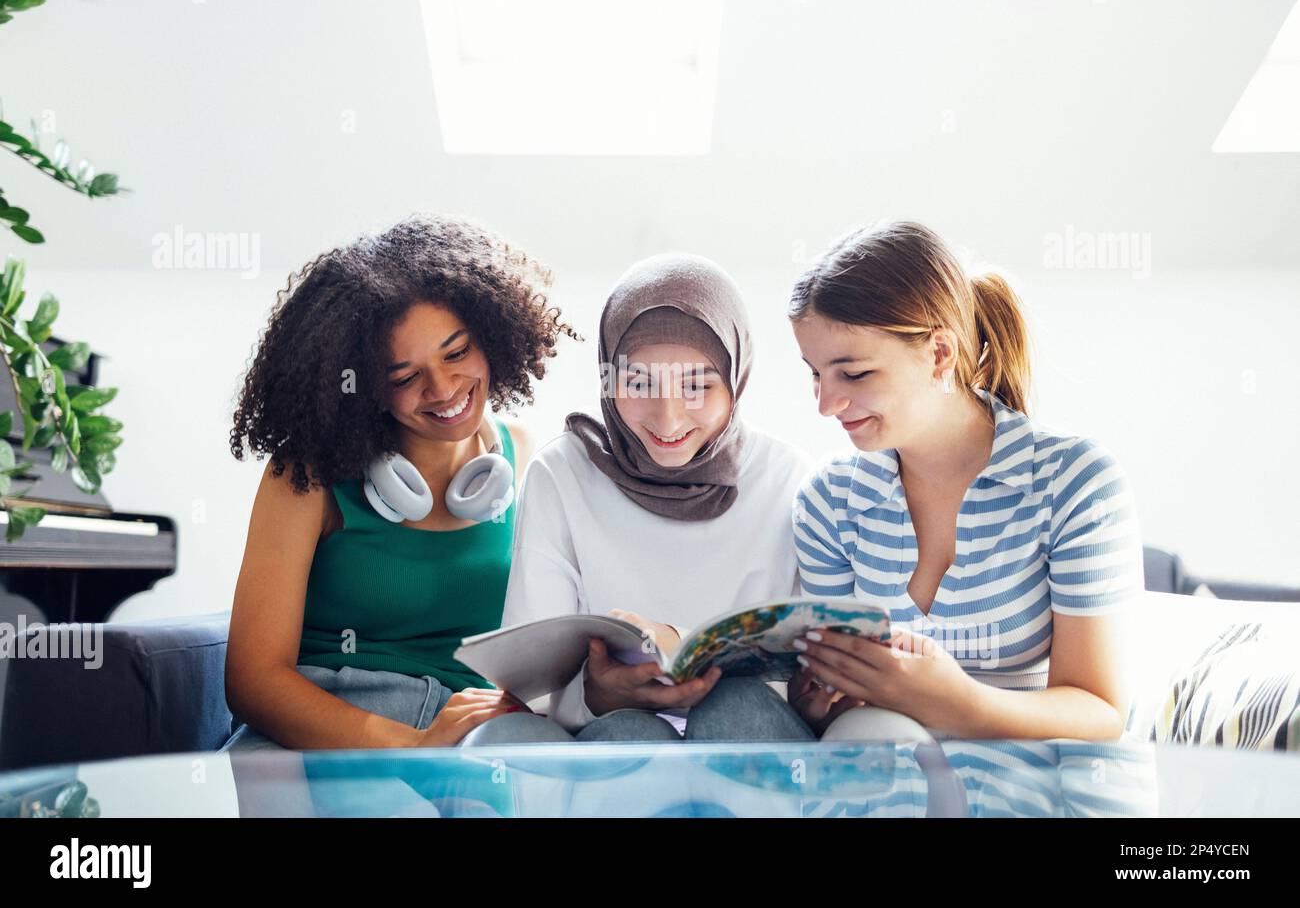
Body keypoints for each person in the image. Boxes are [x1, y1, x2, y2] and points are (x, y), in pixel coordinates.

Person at [220, 213, 578, 751]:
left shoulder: (528, 456)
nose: (443, 388)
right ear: (364, 388)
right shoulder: (307, 473)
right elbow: (252, 682)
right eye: (404, 377)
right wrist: (412, 745)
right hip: (326, 731)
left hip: (474, 739)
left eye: (456, 353)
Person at [786, 220, 1141, 743]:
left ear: (940, 354)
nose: (825, 405)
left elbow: (1102, 712)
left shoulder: (1076, 484)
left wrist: (957, 703)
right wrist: (816, 705)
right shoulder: (827, 502)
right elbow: (839, 708)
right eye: (815, 374)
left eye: (854, 374)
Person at [462, 252, 816, 745]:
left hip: (745, 737)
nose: (667, 420)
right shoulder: (561, 474)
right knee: (625, 732)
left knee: (736, 707)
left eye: (698, 386)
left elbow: (803, 672)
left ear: (737, 379)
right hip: (608, 741)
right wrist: (599, 696)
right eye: (637, 383)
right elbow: (531, 687)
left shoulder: (788, 481)